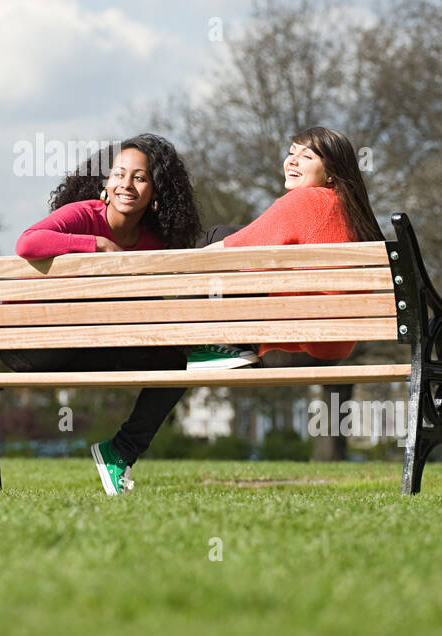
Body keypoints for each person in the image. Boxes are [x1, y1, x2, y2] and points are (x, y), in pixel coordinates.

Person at [95, 126, 384, 495]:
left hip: (299, 327)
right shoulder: (352, 215)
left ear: (331, 173)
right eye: (291, 151)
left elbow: (233, 249)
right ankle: (122, 447)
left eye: (306, 156)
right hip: (327, 342)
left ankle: (125, 444)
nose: (292, 160)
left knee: (216, 237)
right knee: (183, 358)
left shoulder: (307, 202)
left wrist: (167, 271)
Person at [0, 134, 202, 495]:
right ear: (105, 184)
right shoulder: (83, 215)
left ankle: (120, 451)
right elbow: (27, 244)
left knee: (172, 361)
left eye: (139, 177)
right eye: (118, 174)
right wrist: (96, 245)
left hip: (84, 342)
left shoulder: (154, 243)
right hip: (28, 344)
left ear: (157, 191)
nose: (126, 184)